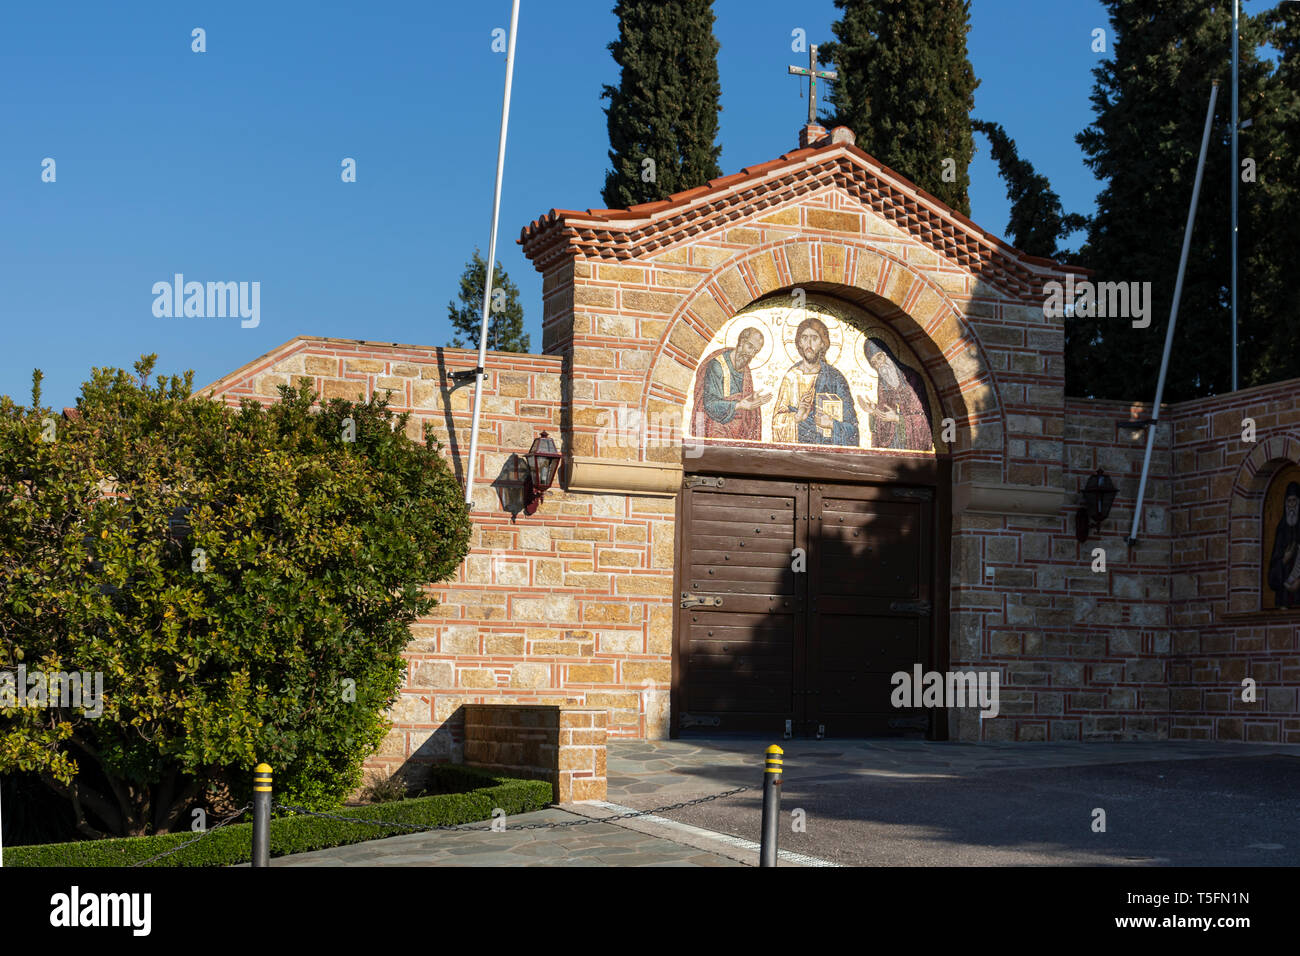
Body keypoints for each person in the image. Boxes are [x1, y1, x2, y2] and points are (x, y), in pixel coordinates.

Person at [771, 316, 859, 446]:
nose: (809, 344)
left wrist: (831, 424)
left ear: (823, 343)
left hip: (828, 453)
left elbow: (853, 429)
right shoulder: (791, 377)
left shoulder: (835, 378)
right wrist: (797, 417)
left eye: (814, 338)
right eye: (804, 338)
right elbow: (776, 422)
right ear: (799, 343)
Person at [692, 327, 770, 440]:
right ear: (741, 342)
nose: (751, 354)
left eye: (755, 351)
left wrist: (751, 398)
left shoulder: (745, 369)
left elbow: (742, 399)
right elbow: (709, 404)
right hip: (718, 427)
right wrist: (739, 405)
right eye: (750, 347)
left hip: (739, 429)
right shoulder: (717, 365)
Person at [855, 337, 933, 451]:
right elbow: (883, 429)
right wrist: (874, 411)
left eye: (879, 357)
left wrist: (898, 419)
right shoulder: (883, 387)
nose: (880, 364)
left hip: (914, 449)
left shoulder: (912, 378)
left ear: (887, 354)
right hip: (893, 448)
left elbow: (926, 420)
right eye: (874, 363)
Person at [1267, 481, 1300, 608]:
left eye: (1294, 501)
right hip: (1283, 598)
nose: (1291, 505)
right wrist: (1284, 560)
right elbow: (1272, 575)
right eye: (1289, 501)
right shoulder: (1281, 530)